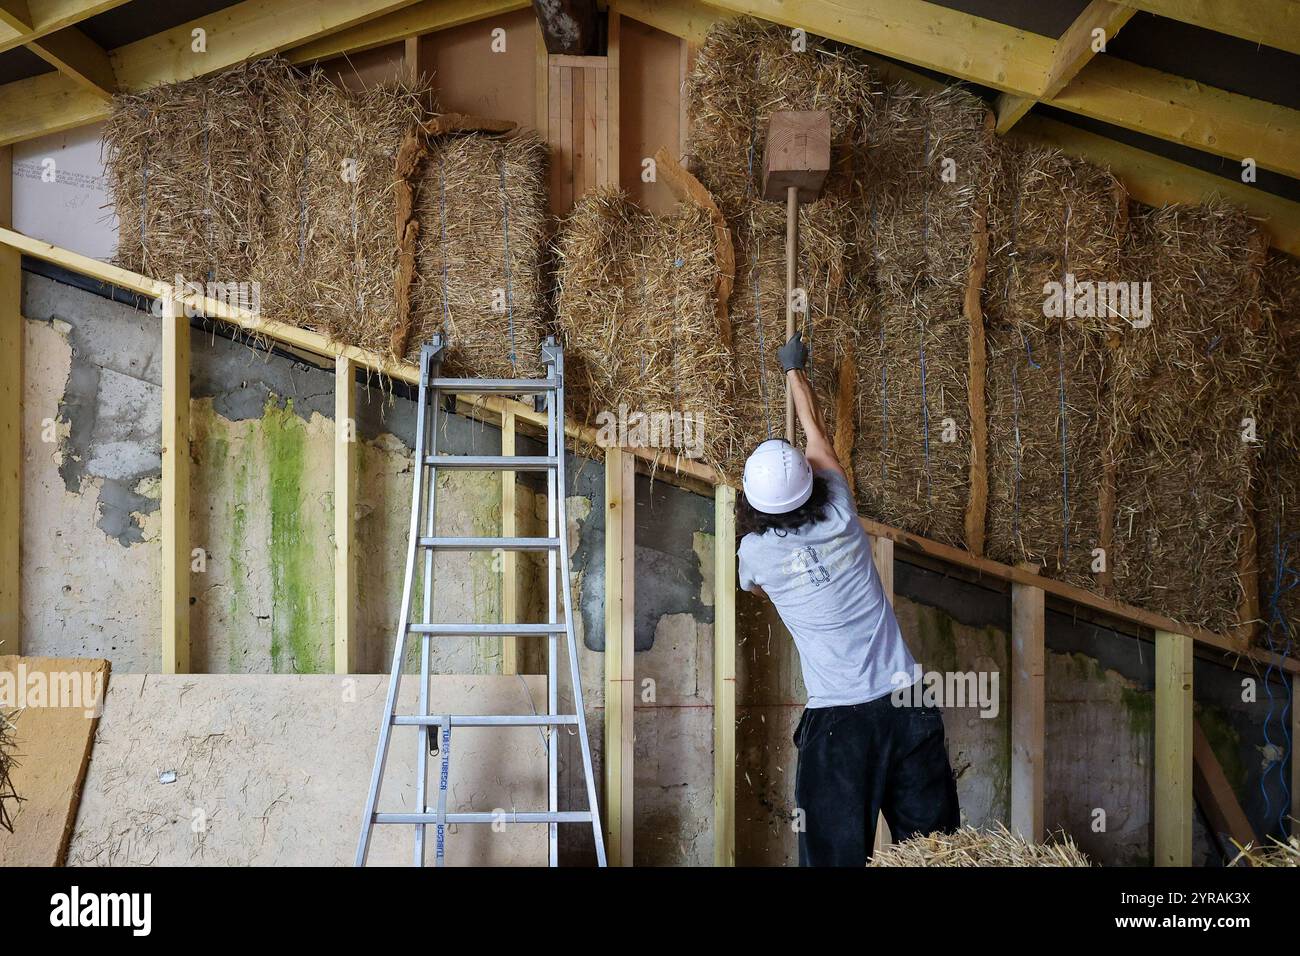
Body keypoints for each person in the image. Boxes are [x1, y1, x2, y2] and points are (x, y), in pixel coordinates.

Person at [737, 331, 960, 866]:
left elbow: (763, 587)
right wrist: (794, 370)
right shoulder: (840, 509)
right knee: (938, 856)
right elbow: (817, 438)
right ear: (810, 485)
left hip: (840, 725)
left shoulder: (754, 555)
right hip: (907, 704)